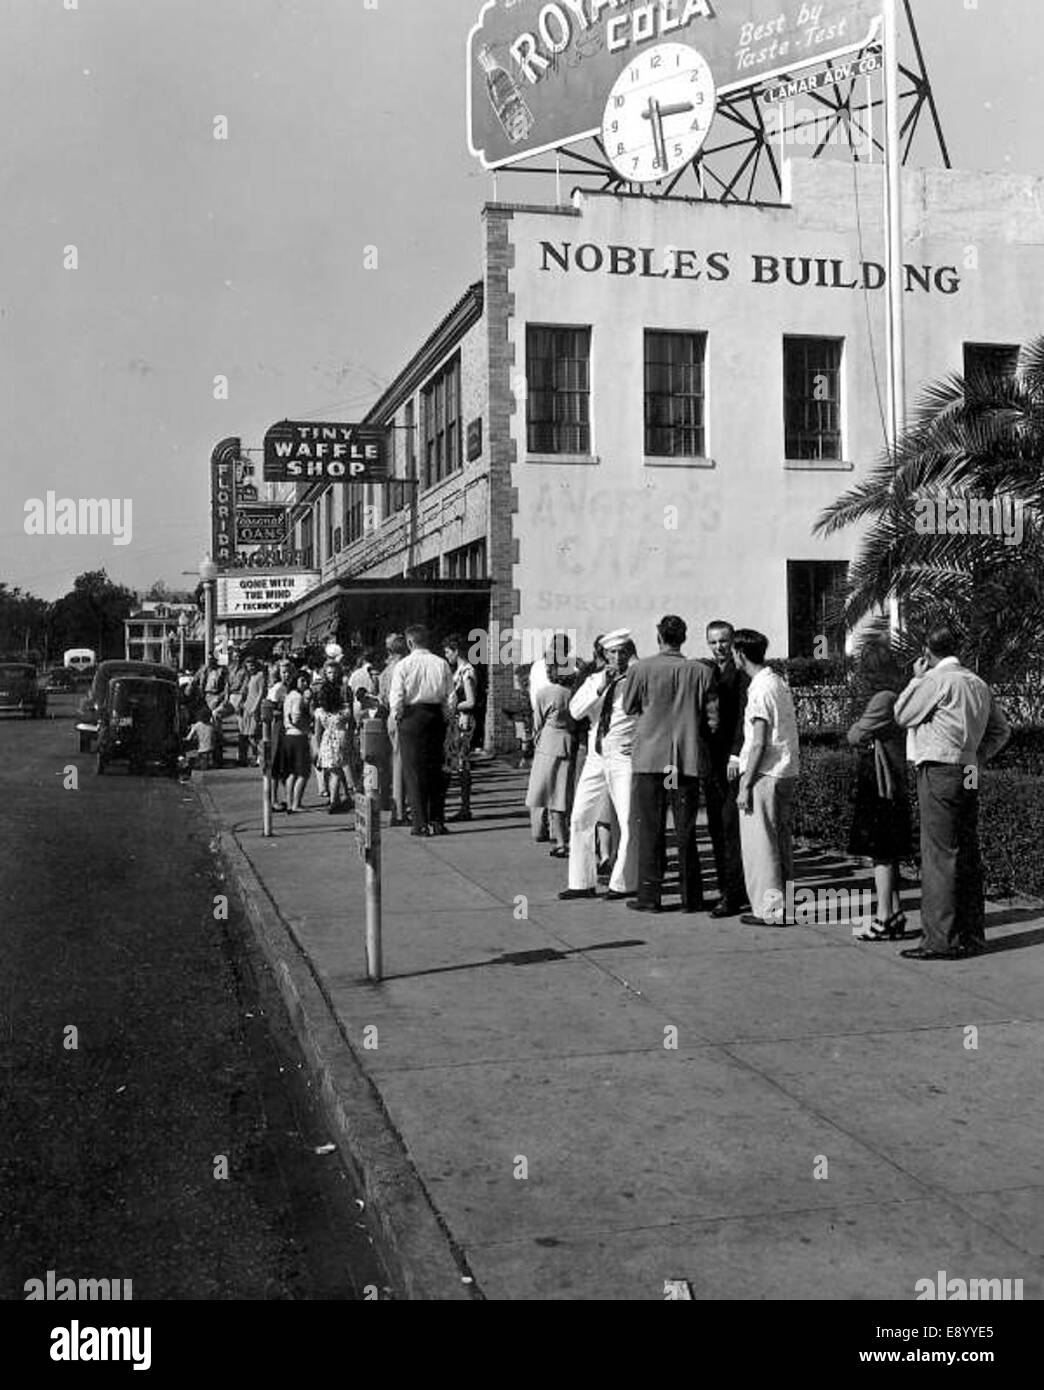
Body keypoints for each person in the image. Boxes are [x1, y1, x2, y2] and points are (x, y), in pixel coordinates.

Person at [893, 625, 1010, 960]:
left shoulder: (936, 680)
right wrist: (977, 755)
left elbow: (902, 714)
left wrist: (916, 679)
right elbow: (1002, 730)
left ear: (928, 653)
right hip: (969, 767)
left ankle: (940, 939)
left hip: (940, 769)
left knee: (939, 852)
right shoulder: (977, 682)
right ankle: (972, 933)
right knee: (968, 846)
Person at [621, 615, 719, 914]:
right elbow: (712, 717)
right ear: (684, 638)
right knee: (685, 829)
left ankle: (650, 896)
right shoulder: (701, 671)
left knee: (650, 828)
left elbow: (628, 706)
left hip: (651, 759)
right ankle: (692, 896)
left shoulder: (641, 669)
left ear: (658, 636)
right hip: (682, 762)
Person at [560, 630, 638, 901]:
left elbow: (649, 713)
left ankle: (624, 883)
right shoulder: (595, 679)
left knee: (627, 819)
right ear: (604, 655)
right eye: (612, 653)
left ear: (630, 653)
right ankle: (581, 882)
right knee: (581, 814)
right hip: (596, 753)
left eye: (622, 652)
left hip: (622, 754)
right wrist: (600, 686)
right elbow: (575, 711)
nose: (617, 658)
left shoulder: (637, 679)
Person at [846, 642, 915, 941]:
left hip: (880, 782)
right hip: (892, 780)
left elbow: (855, 734)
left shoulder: (882, 699)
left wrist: (860, 730)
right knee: (890, 853)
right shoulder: (897, 695)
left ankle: (883, 916)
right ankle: (896, 912)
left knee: (881, 853)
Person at [731, 631, 800, 928]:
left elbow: (759, 742)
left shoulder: (759, 689)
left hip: (765, 773)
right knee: (780, 841)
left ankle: (769, 910)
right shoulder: (778, 682)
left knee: (762, 846)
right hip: (785, 770)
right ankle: (785, 906)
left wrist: (745, 784)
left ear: (740, 654)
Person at [701, 621, 750, 917]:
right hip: (712, 762)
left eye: (723, 641)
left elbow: (745, 717)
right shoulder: (709, 673)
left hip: (733, 761)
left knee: (731, 828)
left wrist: (735, 754)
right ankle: (725, 888)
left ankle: (733, 894)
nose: (718, 646)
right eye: (713, 642)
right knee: (716, 828)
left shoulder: (741, 674)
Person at [389, 624, 453, 837]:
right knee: (436, 770)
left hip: (411, 717)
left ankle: (420, 823)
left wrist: (397, 716)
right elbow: (450, 696)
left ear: (409, 642)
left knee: (413, 772)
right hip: (435, 715)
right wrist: (446, 718)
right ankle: (437, 820)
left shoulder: (404, 665)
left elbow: (397, 696)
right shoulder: (441, 663)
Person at [525, 661, 577, 857]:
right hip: (567, 742)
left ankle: (546, 834)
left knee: (543, 792)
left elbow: (537, 721)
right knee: (562, 794)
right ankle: (565, 838)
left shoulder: (544, 693)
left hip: (547, 742)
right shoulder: (572, 693)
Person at [444, 634, 479, 822]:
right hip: (459, 721)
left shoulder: (466, 671)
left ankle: (465, 808)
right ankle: (464, 807)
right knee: (460, 764)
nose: (446, 655)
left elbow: (471, 701)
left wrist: (452, 706)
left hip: (463, 722)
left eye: (448, 651)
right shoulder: (461, 670)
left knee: (461, 764)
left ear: (456, 651)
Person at [378, 633, 409, 824]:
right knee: (402, 765)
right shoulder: (403, 668)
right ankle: (399, 812)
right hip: (402, 717)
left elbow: (382, 698)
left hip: (390, 717)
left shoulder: (385, 672)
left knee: (396, 762)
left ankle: (398, 809)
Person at [314, 681, 354, 814]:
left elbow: (317, 732)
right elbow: (351, 725)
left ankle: (334, 800)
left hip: (327, 740)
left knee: (333, 772)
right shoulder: (345, 710)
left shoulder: (320, 712)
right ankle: (348, 791)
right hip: (342, 737)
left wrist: (319, 748)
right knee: (344, 767)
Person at [282, 670, 314, 814]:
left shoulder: (289, 696)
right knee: (303, 772)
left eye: (307, 681)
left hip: (288, 735)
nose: (305, 684)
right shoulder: (297, 697)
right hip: (299, 735)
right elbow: (296, 717)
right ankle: (296, 803)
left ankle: (289, 803)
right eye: (302, 680)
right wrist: (307, 725)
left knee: (292, 772)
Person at [237, 658, 266, 767]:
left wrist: (256, 706)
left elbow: (261, 692)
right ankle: (254, 757)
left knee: (254, 735)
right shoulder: (249, 677)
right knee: (247, 735)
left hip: (255, 707)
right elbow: (246, 692)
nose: (251, 668)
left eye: (252, 665)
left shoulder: (260, 675)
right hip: (247, 707)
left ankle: (260, 756)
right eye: (249, 666)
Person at [184, 705, 215, 772]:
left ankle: (198, 763)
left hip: (201, 750)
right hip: (211, 749)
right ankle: (208, 761)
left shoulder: (197, 725)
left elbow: (189, 738)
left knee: (190, 753)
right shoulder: (212, 726)